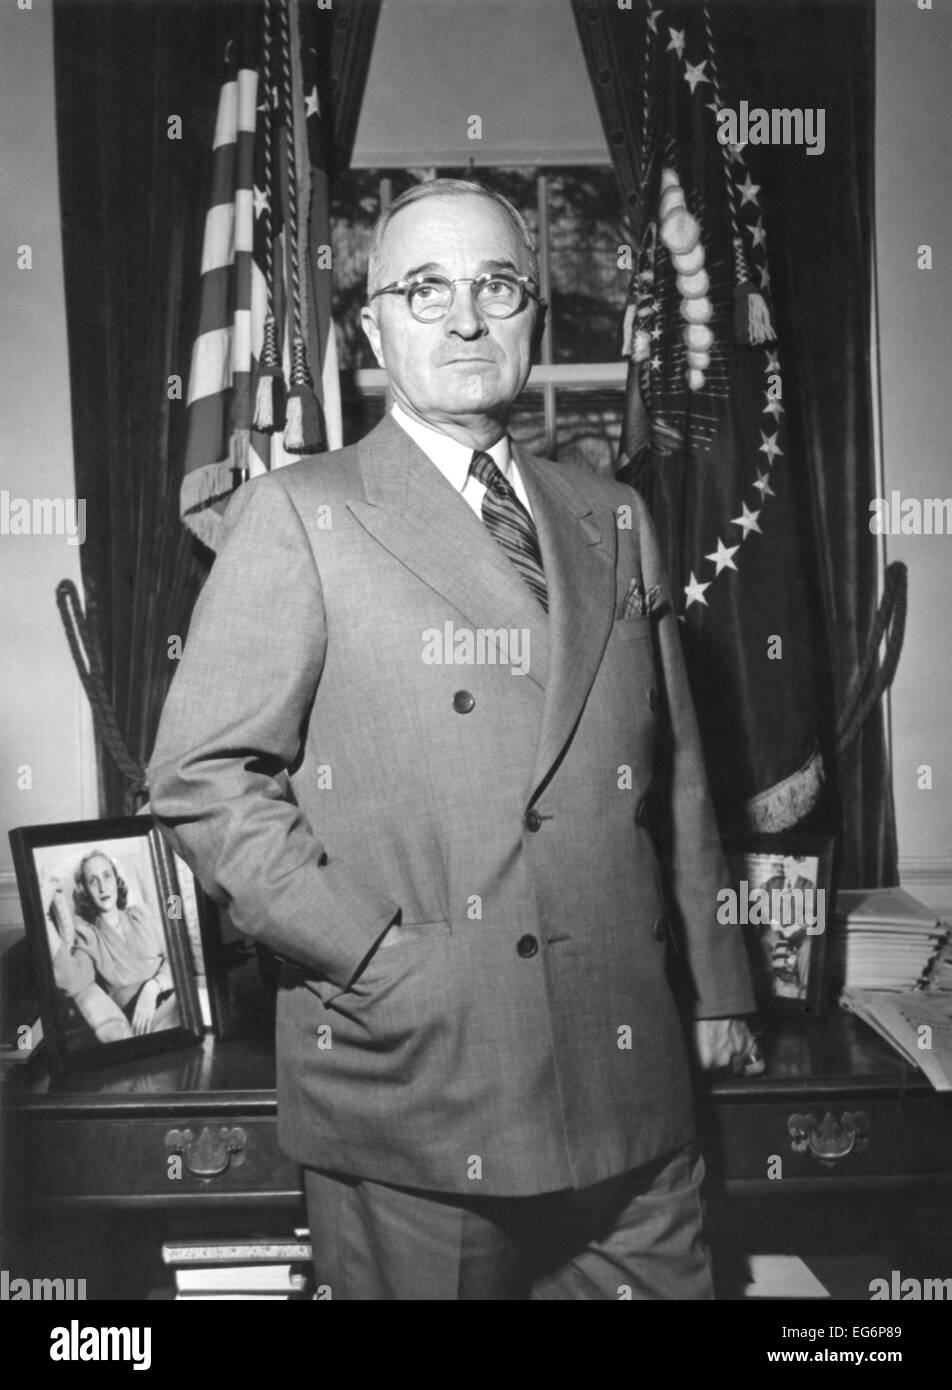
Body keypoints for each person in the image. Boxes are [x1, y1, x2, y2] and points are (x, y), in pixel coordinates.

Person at [149, 178, 758, 1300]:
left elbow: (671, 772)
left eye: (496, 286)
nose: (466, 319)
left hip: (630, 1084)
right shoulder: (299, 512)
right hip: (422, 1081)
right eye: (425, 290)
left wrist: (717, 986)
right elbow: (198, 778)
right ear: (372, 326)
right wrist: (372, 956)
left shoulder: (611, 511)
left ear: (535, 314)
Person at [47, 851, 180, 1037]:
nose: (102, 887)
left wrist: (153, 987)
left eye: (107, 876)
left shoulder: (142, 914)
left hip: (173, 997)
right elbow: (72, 982)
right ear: (85, 890)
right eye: (93, 881)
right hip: (145, 1025)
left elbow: (178, 956)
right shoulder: (88, 937)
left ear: (116, 880)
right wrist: (45, 919)